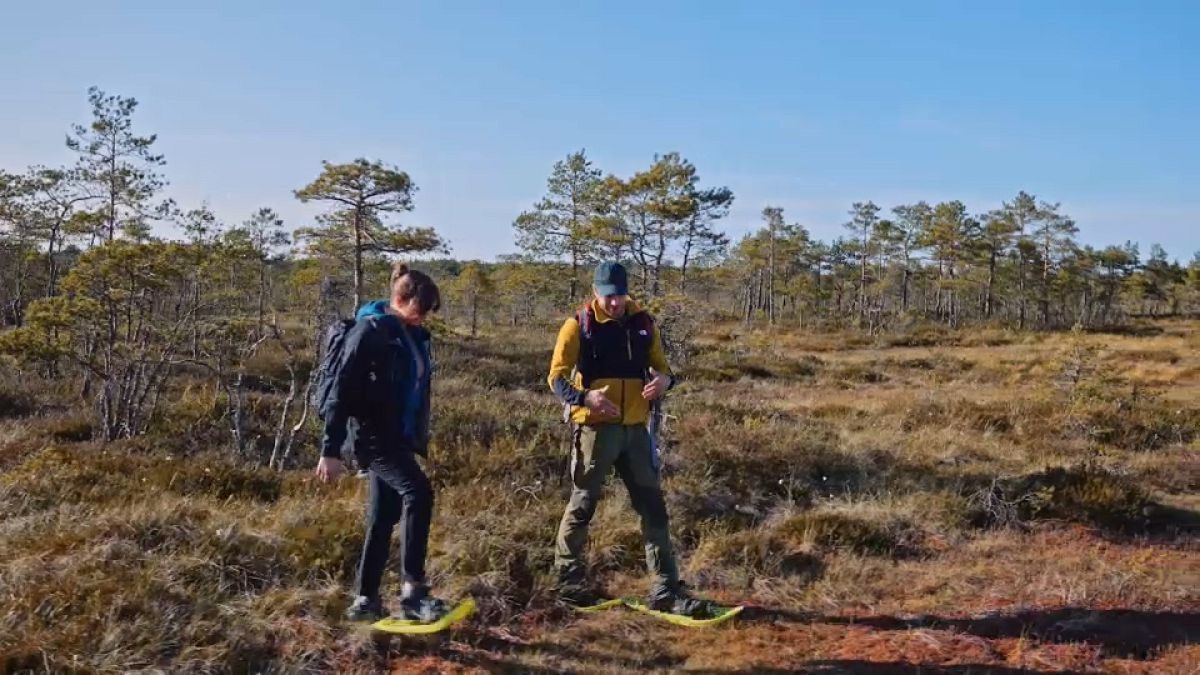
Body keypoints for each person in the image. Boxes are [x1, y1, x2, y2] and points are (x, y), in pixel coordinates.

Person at [548, 261, 717, 617]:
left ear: (627, 292)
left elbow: (663, 368)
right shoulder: (577, 326)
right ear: (596, 293)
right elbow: (556, 378)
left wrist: (665, 382)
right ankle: (566, 583)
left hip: (636, 431)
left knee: (653, 508)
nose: (614, 303)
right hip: (596, 431)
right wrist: (584, 398)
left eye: (620, 295)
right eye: (608, 296)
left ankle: (665, 590)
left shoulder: (644, 324)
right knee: (582, 505)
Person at [316, 262, 447, 623]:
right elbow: (340, 392)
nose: (423, 317)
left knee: (381, 517)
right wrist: (331, 450)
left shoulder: (409, 334)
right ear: (400, 298)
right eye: (420, 309)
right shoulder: (370, 331)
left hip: (399, 438)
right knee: (419, 493)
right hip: (374, 439)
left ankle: (365, 600)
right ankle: (413, 593)